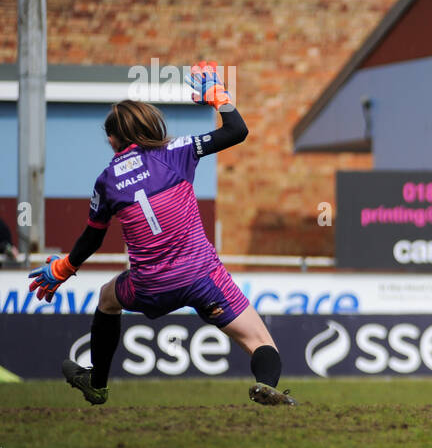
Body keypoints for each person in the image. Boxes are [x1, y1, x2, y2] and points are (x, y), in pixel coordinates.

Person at [33, 63, 293, 406]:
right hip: (203, 278)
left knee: (107, 298)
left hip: (150, 286)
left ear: (112, 140)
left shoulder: (107, 181)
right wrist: (218, 97)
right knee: (260, 341)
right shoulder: (176, 151)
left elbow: (92, 238)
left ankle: (97, 383)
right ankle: (266, 385)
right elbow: (236, 131)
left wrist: (64, 268)